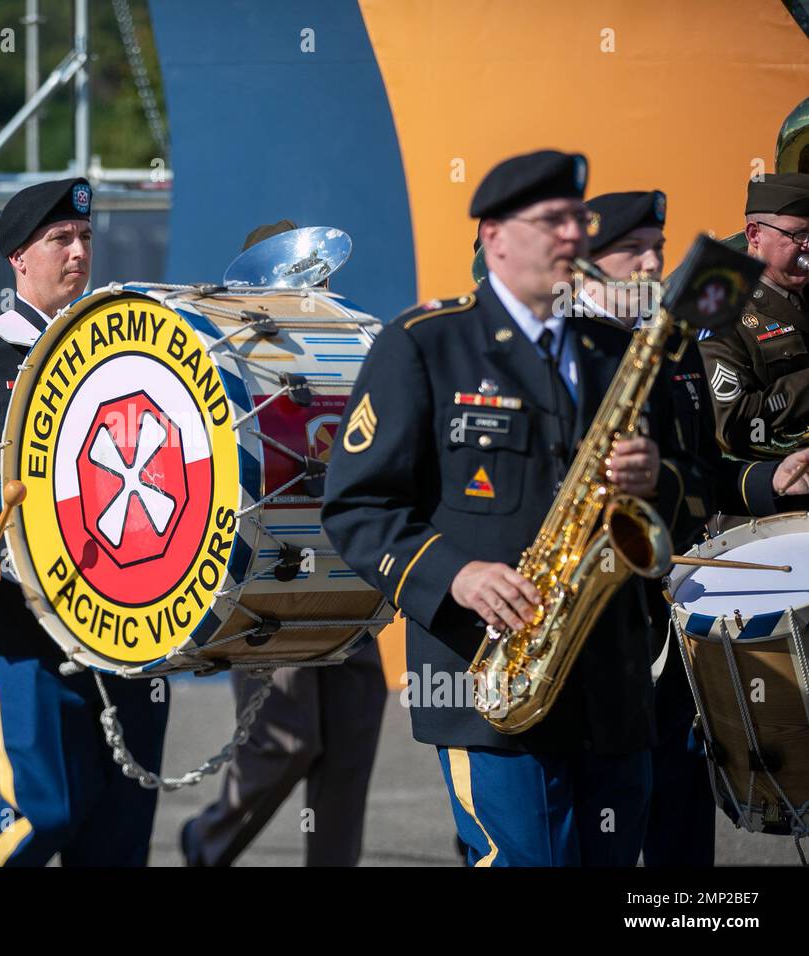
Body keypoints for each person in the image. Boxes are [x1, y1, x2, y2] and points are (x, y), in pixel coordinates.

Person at [322, 150, 714, 867]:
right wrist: (457, 575)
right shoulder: (425, 344)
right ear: (495, 236)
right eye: (552, 221)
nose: (572, 236)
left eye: (578, 220)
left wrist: (656, 479)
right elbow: (358, 507)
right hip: (490, 680)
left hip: (612, 683)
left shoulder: (619, 353)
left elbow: (691, 496)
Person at [0, 178, 170, 867]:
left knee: (118, 839)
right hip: (21, 627)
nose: (79, 251)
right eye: (59, 239)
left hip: (126, 628)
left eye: (86, 238)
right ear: (18, 257)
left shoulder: (125, 352)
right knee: (42, 811)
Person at [580, 189, 809, 865]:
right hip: (588, 608)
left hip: (670, 598)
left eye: (658, 248)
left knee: (678, 797)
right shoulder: (554, 352)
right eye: (634, 251)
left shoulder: (671, 348)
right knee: (598, 815)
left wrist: (770, 481)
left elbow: (705, 468)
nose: (654, 265)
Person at [179, 220, 386, 867]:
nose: (312, 293)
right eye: (297, 280)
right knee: (285, 741)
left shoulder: (341, 355)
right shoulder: (240, 367)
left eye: (316, 279)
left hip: (348, 579)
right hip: (276, 578)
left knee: (350, 743)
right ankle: (206, 842)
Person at [700, 173, 809, 459]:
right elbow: (734, 422)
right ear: (754, 235)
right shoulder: (722, 313)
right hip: (783, 474)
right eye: (799, 235)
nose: (808, 246)